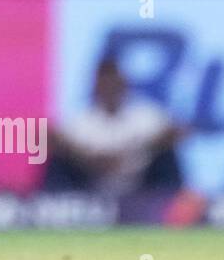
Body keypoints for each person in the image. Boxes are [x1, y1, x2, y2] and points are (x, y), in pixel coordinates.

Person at [45, 57, 187, 196]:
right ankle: (57, 207)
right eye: (105, 84)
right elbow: (51, 138)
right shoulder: (81, 120)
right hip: (91, 183)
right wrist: (88, 159)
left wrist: (137, 152)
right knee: (57, 162)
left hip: (140, 181)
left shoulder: (145, 114)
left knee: (167, 155)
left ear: (124, 85)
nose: (110, 88)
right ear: (96, 87)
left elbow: (179, 130)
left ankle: (170, 204)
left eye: (114, 83)